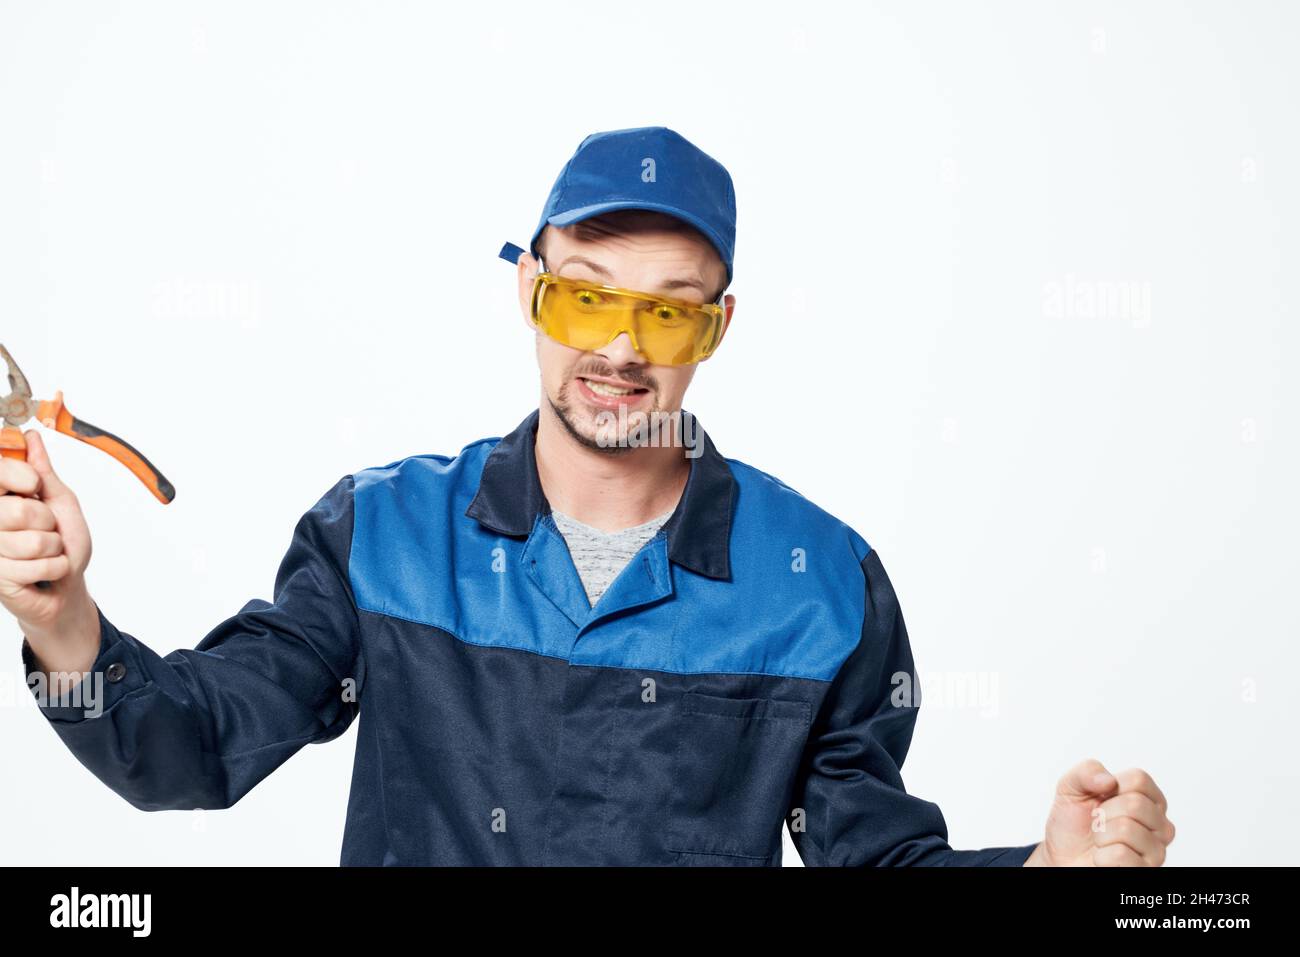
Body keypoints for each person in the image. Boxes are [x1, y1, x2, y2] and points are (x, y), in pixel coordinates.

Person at [3, 126, 1175, 866]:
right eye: (584, 298)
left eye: (666, 308)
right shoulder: (383, 536)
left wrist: (1046, 878)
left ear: (716, 329)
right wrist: (62, 618)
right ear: (527, 290)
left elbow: (867, 856)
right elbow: (190, 751)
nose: (619, 345)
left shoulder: (821, 588)